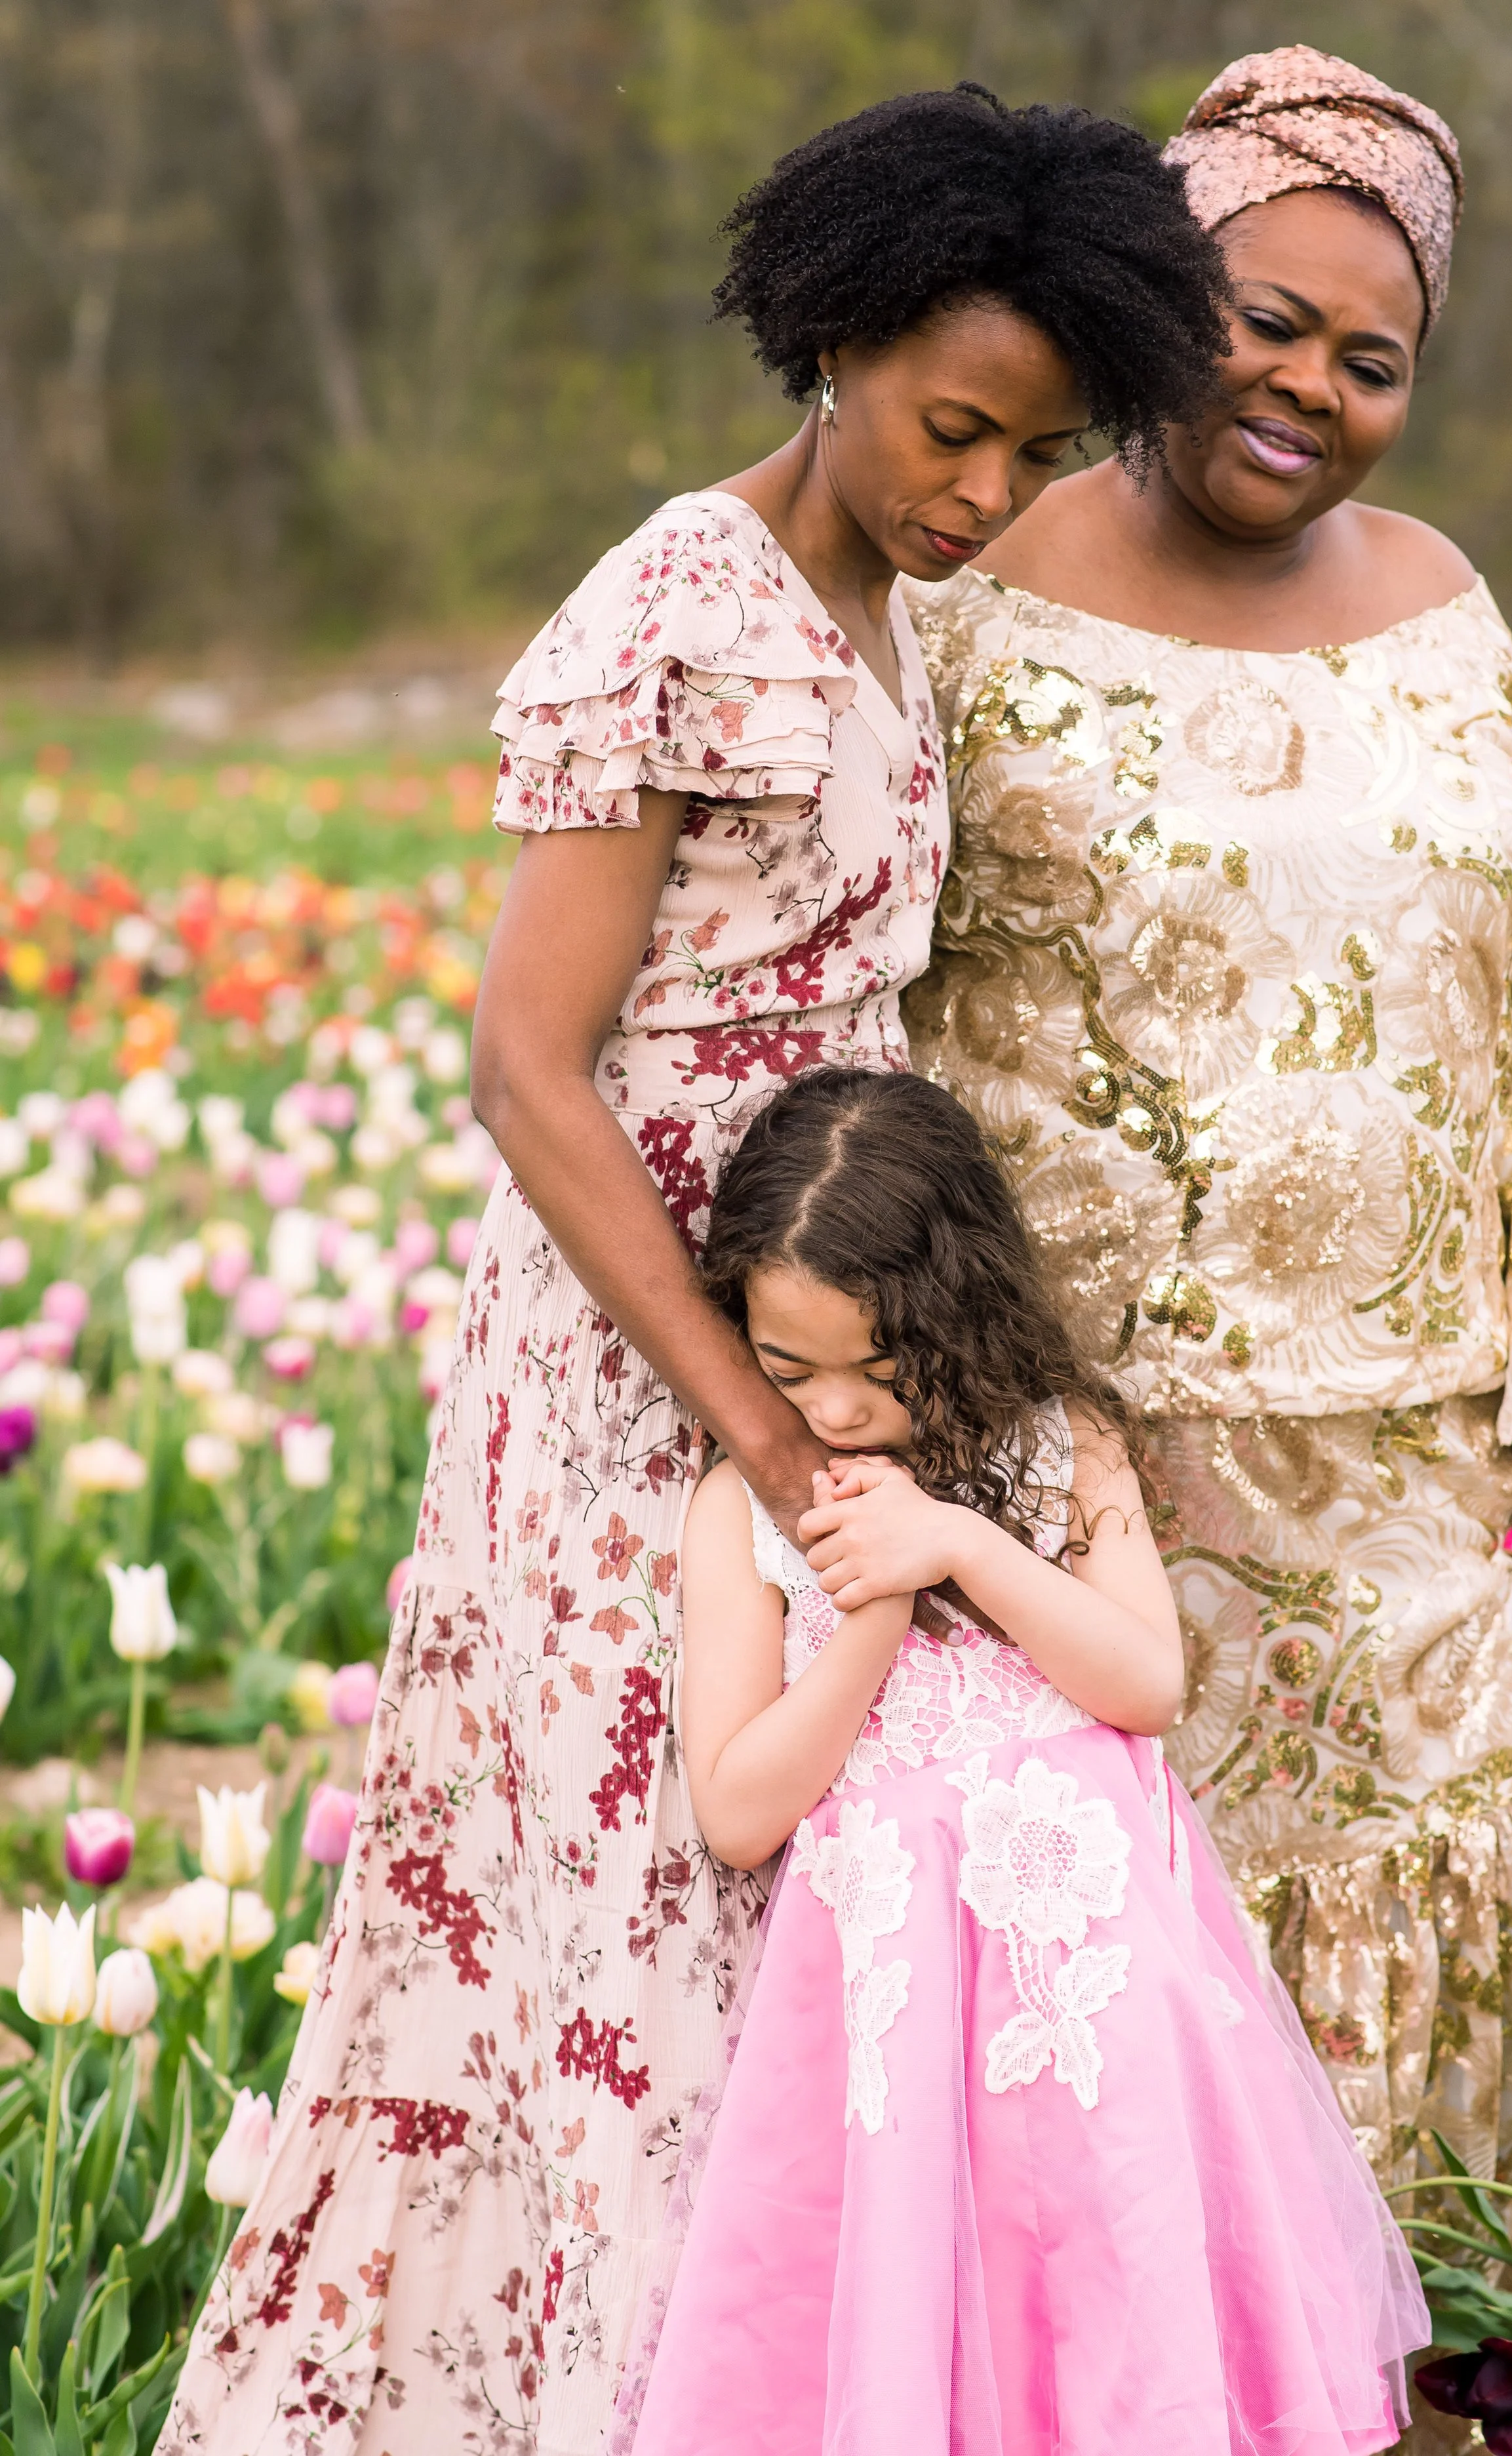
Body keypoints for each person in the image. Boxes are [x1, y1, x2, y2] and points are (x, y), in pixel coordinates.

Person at [157, 87, 1230, 2456]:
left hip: (828, 1340)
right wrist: (747, 1424)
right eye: (953, 428)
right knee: (644, 1919)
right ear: (832, 338)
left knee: (803, 1923)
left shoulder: (889, 616)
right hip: (638, 1366)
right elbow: (533, 1070)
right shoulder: (668, 609)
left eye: (1035, 455)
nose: (979, 492)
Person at [907, 40, 1512, 2312]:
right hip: (1086, 1494)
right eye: (1264, 318)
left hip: (1419, 1493)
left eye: (1375, 353)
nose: (1311, 383)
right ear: (1153, 290)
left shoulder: (1446, 611)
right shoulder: (968, 588)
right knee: (1119, 2051)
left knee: (1432, 2020)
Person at [610, 1066, 1429, 2455]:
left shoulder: (1058, 1446)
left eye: (878, 1369)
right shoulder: (739, 1512)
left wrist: (957, 1547)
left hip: (1095, 2024)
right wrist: (867, 1610)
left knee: (1105, 2314)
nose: (840, 1413)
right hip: (889, 2031)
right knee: (925, 2325)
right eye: (789, 1371)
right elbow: (740, 1809)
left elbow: (1145, 1682)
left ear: (953, 1314)